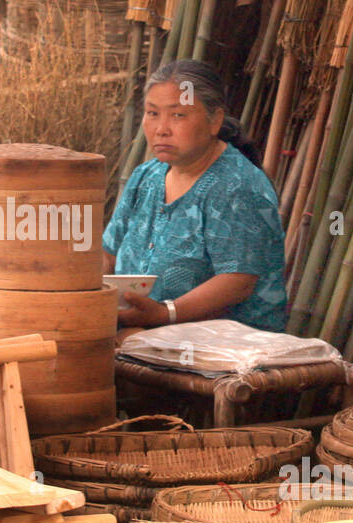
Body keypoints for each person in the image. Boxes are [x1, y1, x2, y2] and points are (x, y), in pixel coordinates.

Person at [103, 59, 287, 338]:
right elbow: (108, 253)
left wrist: (165, 313)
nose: (161, 128)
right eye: (152, 113)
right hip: (143, 330)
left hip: (225, 345)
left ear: (214, 120)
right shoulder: (145, 177)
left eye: (178, 115)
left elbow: (238, 281)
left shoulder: (238, 186)